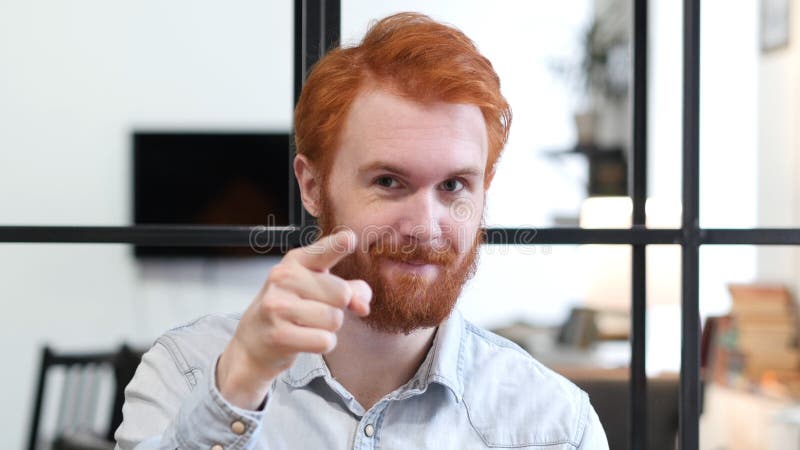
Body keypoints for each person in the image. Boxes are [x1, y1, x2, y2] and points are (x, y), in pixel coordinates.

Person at [115, 12, 609, 450]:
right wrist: (239, 387)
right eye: (388, 182)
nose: (425, 226)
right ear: (312, 186)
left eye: (454, 185)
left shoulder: (555, 426)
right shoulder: (186, 371)